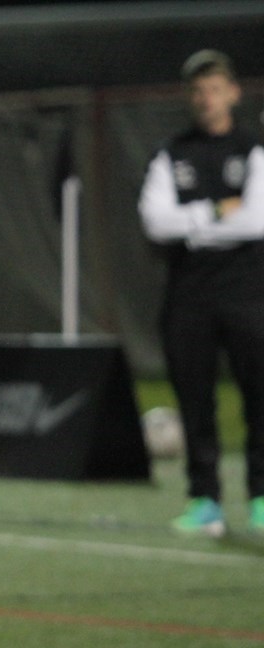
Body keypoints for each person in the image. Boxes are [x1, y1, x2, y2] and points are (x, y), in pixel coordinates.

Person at [138, 49, 264, 536]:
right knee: (194, 399)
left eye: (214, 88)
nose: (205, 98)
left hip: (248, 293)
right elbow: (155, 221)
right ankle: (204, 498)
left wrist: (190, 223)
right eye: (197, 90)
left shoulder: (253, 151)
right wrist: (216, 214)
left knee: (259, 396)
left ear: (232, 92)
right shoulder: (172, 153)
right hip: (188, 294)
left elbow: (257, 219)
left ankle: (260, 495)